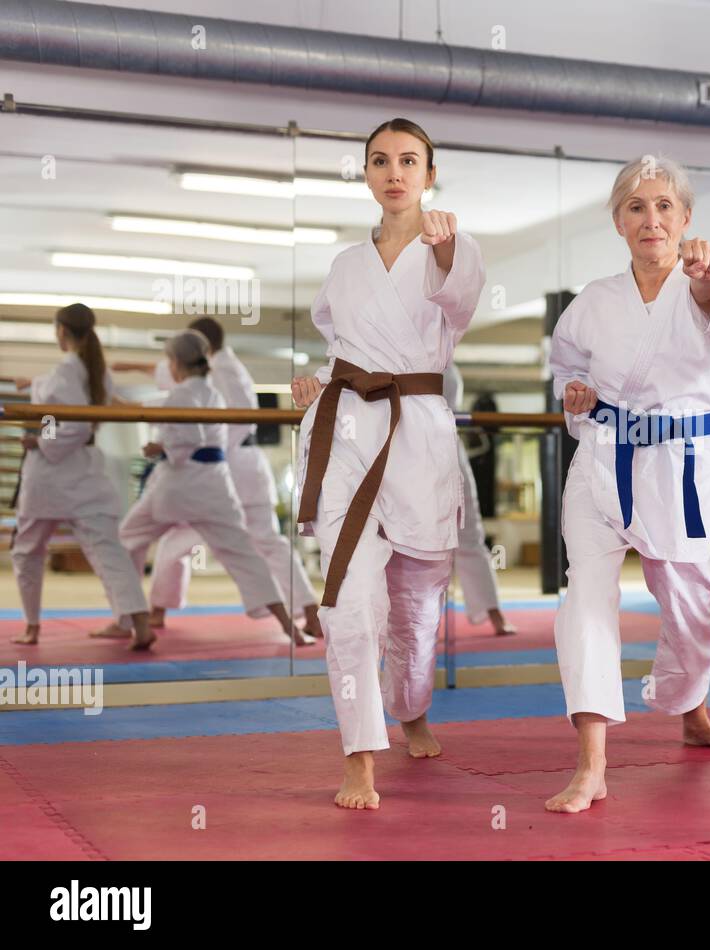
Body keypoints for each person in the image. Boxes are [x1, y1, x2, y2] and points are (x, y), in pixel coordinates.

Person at [545, 153, 710, 814]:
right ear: (619, 221)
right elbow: (566, 369)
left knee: (694, 607)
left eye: (664, 206)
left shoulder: (705, 283)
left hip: (681, 469)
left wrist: (706, 278)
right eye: (637, 207)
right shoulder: (594, 301)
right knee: (586, 599)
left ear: (685, 219)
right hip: (604, 461)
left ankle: (690, 712)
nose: (651, 219)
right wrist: (575, 393)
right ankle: (592, 762)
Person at [291, 117, 485, 811]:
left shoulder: (452, 249)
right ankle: (360, 756)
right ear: (367, 174)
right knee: (348, 601)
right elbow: (341, 340)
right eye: (380, 160)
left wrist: (448, 244)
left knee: (417, 605)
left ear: (430, 174)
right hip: (344, 428)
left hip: (417, 436)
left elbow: (457, 301)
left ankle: (412, 707)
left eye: (409, 161)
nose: (394, 172)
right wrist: (319, 379)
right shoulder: (345, 264)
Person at [113, 319, 322, 637]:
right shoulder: (221, 368)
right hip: (236, 468)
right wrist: (130, 366)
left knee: (258, 544)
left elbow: (186, 408)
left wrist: (162, 442)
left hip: (223, 471)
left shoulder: (220, 373)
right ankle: (156, 610)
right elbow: (175, 378)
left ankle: (308, 610)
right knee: (183, 544)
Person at [10, 304, 154, 650]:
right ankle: (138, 623)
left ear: (61, 331)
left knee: (27, 551)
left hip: (50, 474)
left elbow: (64, 424)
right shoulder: (95, 371)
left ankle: (32, 627)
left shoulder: (63, 374)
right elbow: (76, 411)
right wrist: (35, 385)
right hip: (87, 472)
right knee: (108, 551)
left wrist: (39, 441)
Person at [445, 361, 515, 636]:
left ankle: (492, 609)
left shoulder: (447, 361)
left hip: (449, 447)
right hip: (406, 452)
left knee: (470, 531)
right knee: (407, 543)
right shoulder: (397, 350)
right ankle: (404, 620)